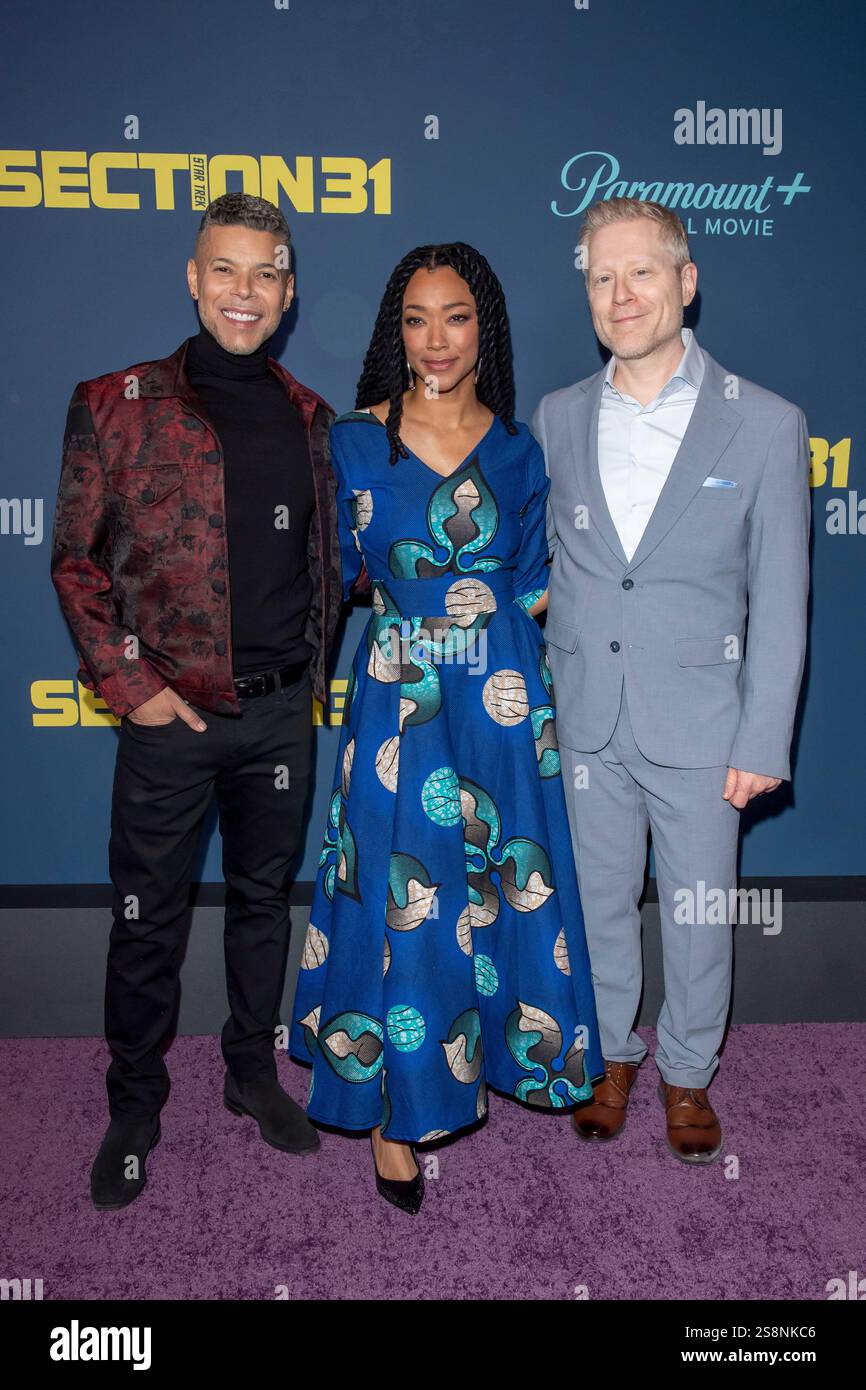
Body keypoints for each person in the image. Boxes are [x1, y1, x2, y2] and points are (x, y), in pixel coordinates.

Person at [50, 192, 367, 1209]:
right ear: (194, 279)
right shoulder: (115, 402)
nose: (244, 291)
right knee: (145, 920)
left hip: (280, 715)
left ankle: (247, 1072)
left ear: (287, 293)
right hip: (169, 719)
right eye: (224, 270)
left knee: (262, 907)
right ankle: (134, 1101)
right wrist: (130, 687)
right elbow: (74, 562)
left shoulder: (315, 419)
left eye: (264, 273)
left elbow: (333, 564)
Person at [288, 242, 604, 1213]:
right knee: (406, 895)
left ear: (484, 329)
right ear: (396, 329)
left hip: (501, 698)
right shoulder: (349, 441)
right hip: (397, 698)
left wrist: (498, 637)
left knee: (505, 884)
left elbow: (546, 580)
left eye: (455, 316)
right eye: (416, 318)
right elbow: (315, 580)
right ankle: (396, 1111)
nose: (435, 339)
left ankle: (497, 1063)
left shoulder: (517, 448)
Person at [532, 197, 810, 1163]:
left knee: (697, 914)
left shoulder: (767, 425)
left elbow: (781, 600)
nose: (621, 295)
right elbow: (562, 567)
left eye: (641, 272)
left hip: (702, 724)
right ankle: (613, 1054)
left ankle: (688, 1073)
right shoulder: (558, 416)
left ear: (686, 283)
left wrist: (761, 739)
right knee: (598, 902)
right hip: (590, 721)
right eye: (602, 278)